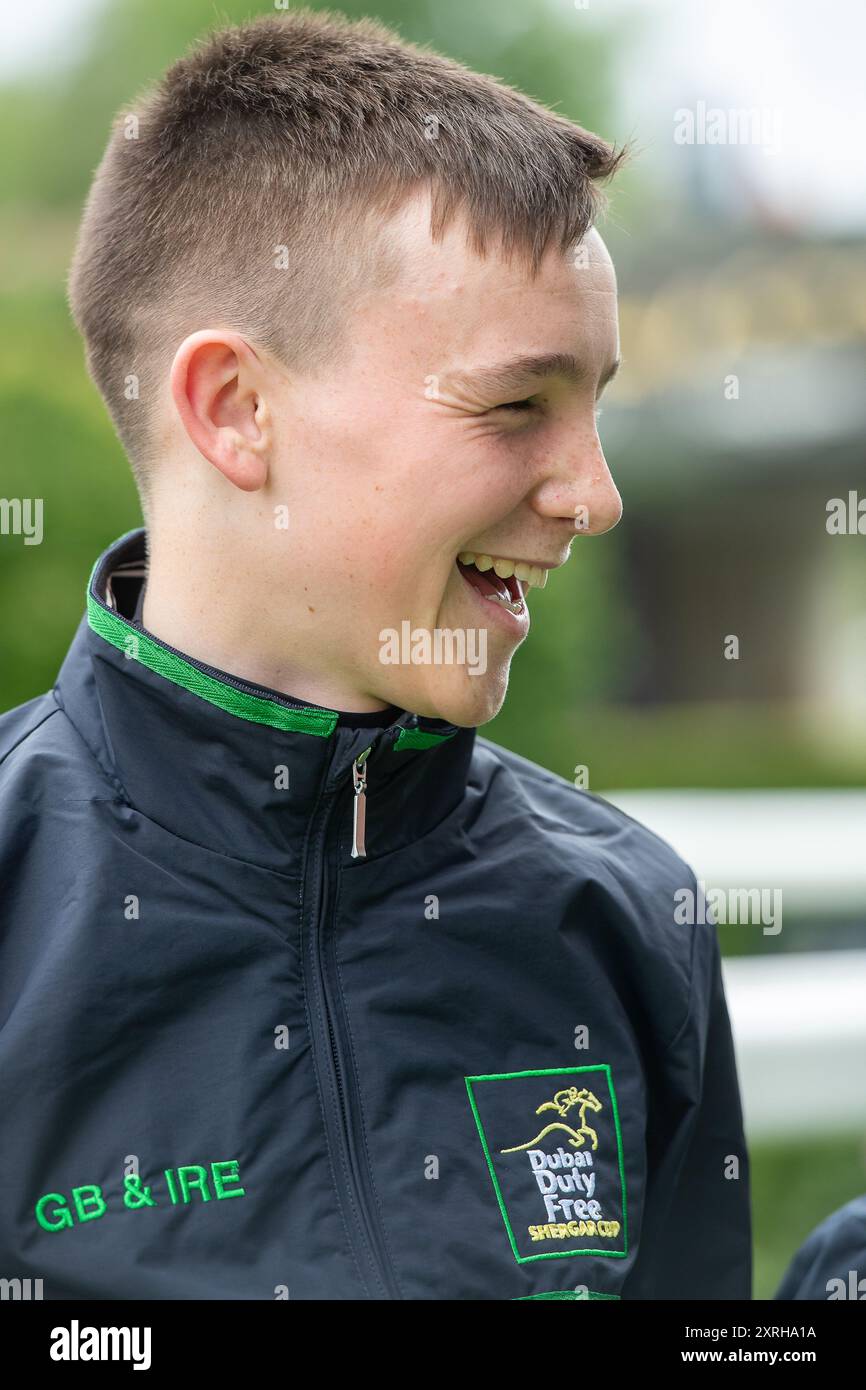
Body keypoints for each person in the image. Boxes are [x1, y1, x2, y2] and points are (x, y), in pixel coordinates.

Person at [0, 8, 751, 1300]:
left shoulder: (628, 920)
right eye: (517, 405)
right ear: (237, 410)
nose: (594, 495)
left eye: (594, 405)